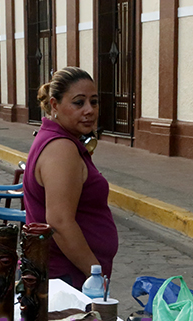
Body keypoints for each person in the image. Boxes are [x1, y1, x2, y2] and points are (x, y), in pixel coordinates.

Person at [23, 67, 118, 289]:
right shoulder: (61, 148)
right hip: (67, 279)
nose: (89, 110)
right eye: (78, 102)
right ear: (55, 105)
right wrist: (96, 276)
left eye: (93, 102)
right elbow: (59, 222)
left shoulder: (61, 140)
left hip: (67, 276)